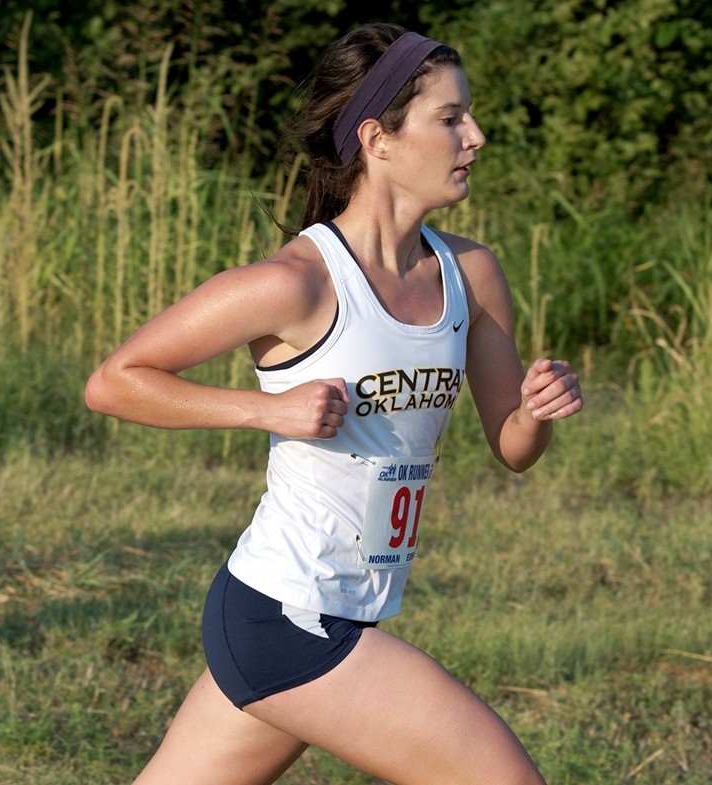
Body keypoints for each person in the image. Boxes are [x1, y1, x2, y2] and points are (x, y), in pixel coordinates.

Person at [85, 22, 582, 785]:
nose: (475, 136)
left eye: (468, 116)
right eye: (450, 119)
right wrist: (266, 411)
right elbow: (115, 380)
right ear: (378, 139)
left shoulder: (471, 274)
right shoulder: (299, 282)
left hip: (343, 608)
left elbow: (511, 446)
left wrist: (536, 413)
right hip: (285, 615)